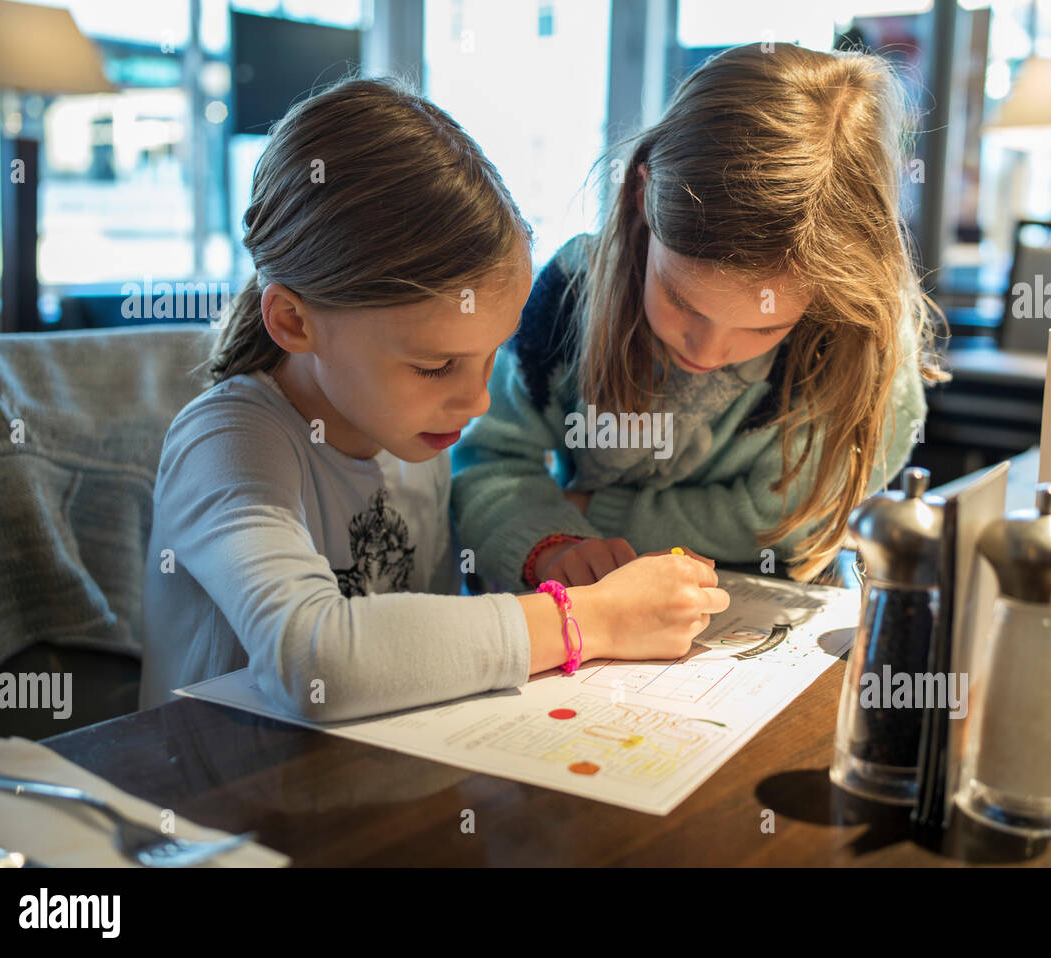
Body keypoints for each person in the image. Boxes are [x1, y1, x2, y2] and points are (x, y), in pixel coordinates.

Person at [138, 77, 727, 722]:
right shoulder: (226, 444)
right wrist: (590, 619)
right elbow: (316, 661)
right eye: (435, 365)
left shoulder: (414, 436)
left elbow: (439, 636)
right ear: (294, 322)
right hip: (213, 806)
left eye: (490, 354)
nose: (476, 401)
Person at [452, 44, 948, 591]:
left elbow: (786, 521)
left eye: (763, 327)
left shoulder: (859, 338)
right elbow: (488, 459)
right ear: (642, 194)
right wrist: (552, 546)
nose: (707, 353)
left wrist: (597, 510)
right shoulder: (572, 289)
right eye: (682, 301)